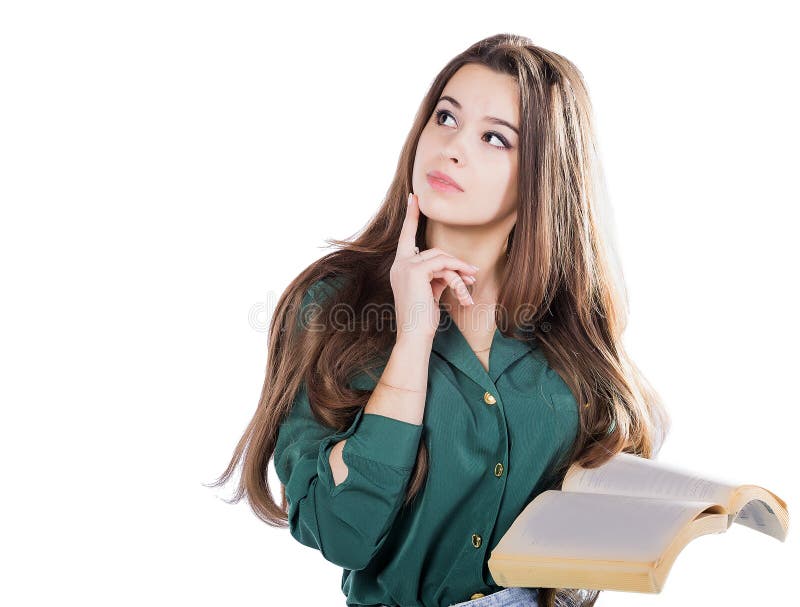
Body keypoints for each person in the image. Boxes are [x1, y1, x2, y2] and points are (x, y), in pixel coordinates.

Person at [208, 33, 671, 607]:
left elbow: (606, 489)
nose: (452, 147)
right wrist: (413, 339)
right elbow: (339, 530)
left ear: (545, 175)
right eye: (446, 117)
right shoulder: (333, 303)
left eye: (495, 138)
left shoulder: (568, 328)